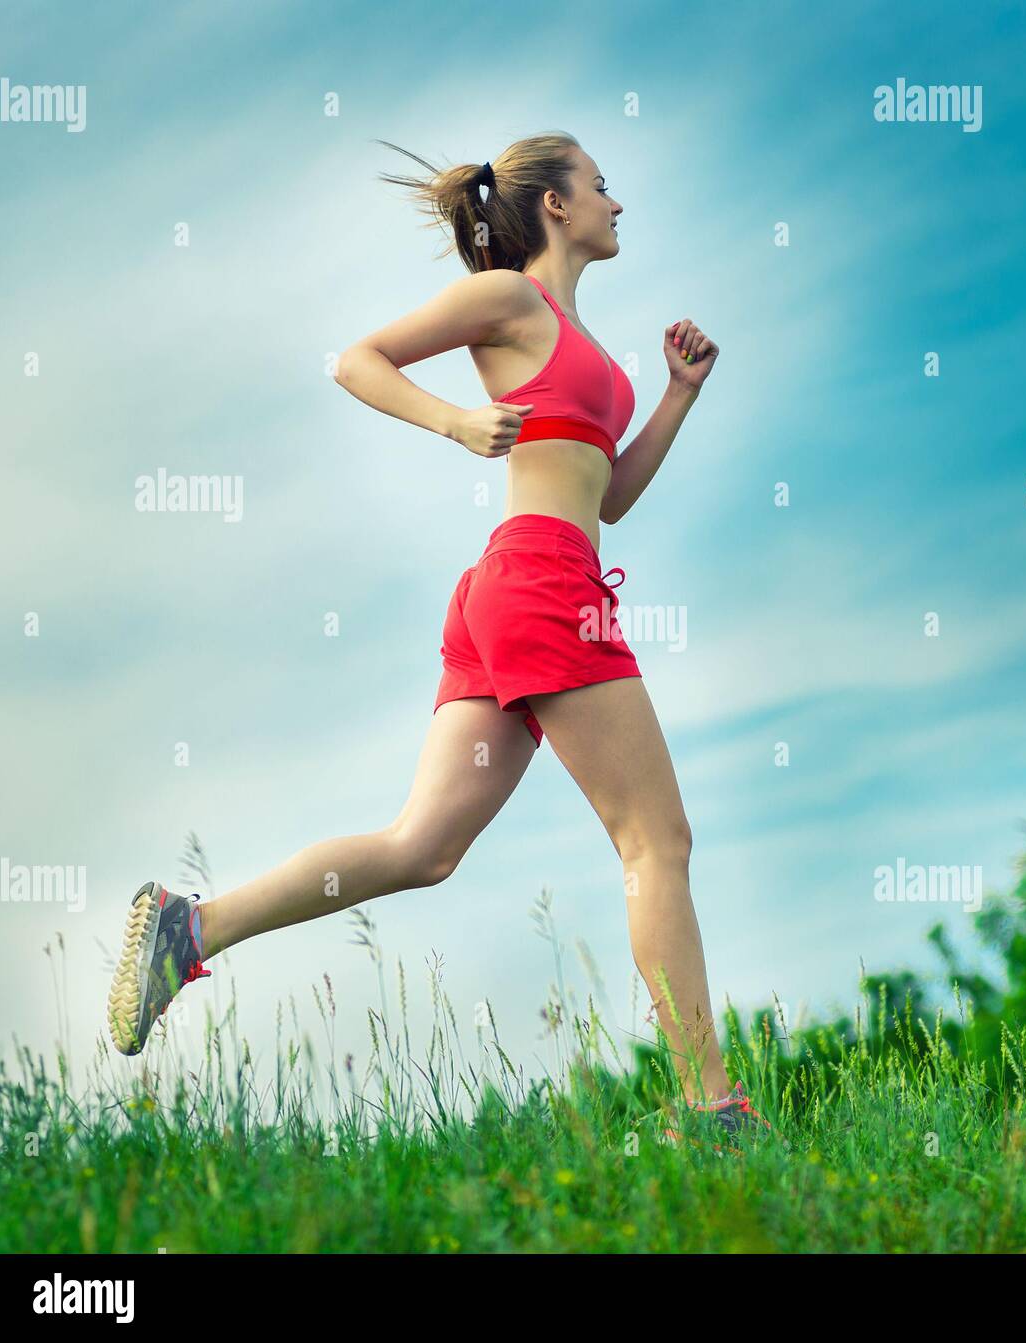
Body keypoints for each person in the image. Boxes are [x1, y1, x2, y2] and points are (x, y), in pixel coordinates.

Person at [106, 131, 768, 1144]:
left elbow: (612, 498)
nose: (617, 204)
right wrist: (456, 422)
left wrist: (676, 397)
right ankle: (711, 1108)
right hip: (543, 584)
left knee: (423, 847)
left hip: (521, 586)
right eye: (602, 186)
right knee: (657, 841)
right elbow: (356, 361)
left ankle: (191, 929)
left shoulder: (582, 340)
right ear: (553, 204)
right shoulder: (509, 299)